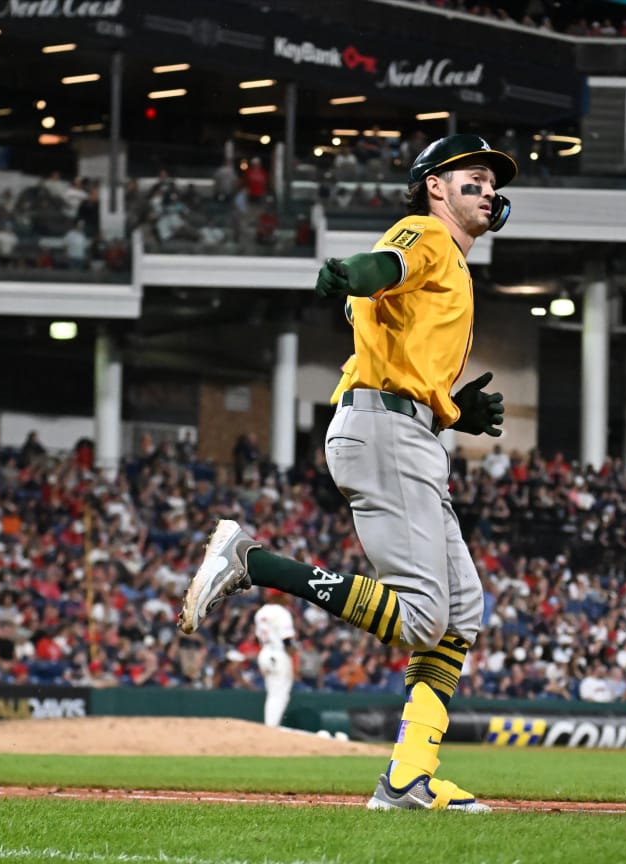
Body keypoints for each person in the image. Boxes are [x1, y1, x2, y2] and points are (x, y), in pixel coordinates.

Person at [179, 134, 515, 813]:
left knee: (461, 612)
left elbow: (398, 339)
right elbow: (383, 265)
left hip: (407, 430)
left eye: (491, 182)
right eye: (473, 178)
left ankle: (408, 778)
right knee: (423, 620)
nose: (488, 190)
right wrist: (351, 272)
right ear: (435, 187)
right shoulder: (428, 232)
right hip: (388, 432)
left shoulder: (449, 258)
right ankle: (252, 562)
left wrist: (454, 409)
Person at [253, 592, 297, 727]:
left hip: (264, 653)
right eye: (286, 594)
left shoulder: (261, 612)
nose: (289, 597)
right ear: (279, 596)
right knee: (279, 695)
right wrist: (293, 652)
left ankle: (271, 727)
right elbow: (287, 640)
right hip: (278, 654)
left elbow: (258, 638)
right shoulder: (282, 612)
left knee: (273, 693)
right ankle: (271, 728)